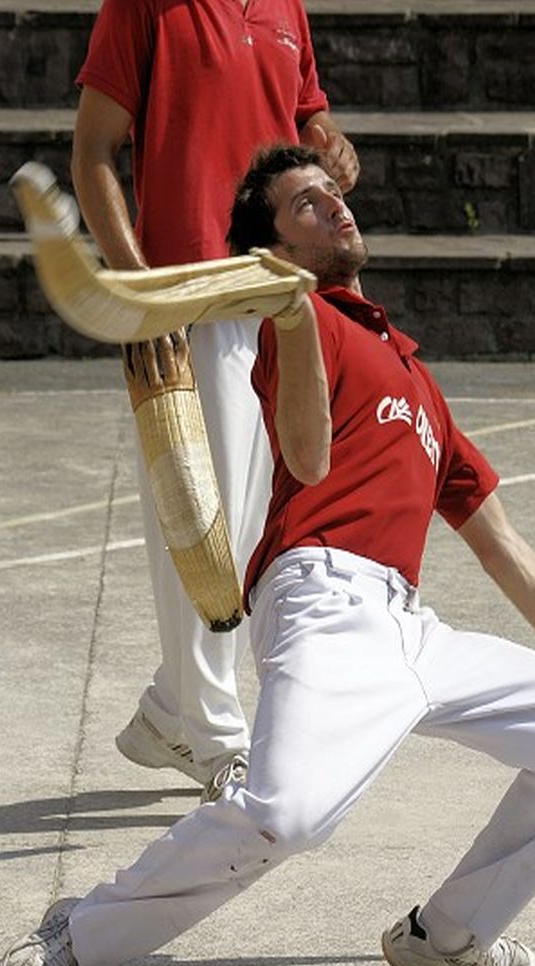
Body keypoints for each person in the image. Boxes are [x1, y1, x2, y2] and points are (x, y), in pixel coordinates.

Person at [0, 145, 535, 966]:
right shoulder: (294, 329)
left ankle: (449, 932)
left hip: (412, 627)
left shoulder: (417, 378)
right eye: (306, 204)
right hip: (324, 599)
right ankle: (74, 936)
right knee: (288, 818)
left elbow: (503, 546)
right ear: (275, 248)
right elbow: (306, 462)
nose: (335, 206)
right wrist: (300, 318)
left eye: (333, 193)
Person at [71, 0, 359, 799]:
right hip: (188, 295)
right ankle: (216, 734)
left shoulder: (284, 6)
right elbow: (92, 152)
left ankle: (172, 709)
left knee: (257, 523)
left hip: (279, 293)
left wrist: (334, 148)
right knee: (199, 526)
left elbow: (311, 124)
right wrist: (143, 291)